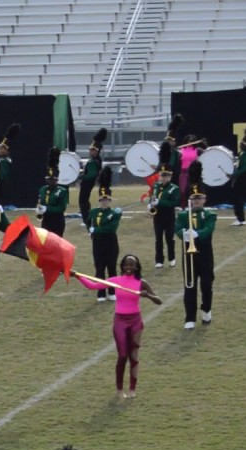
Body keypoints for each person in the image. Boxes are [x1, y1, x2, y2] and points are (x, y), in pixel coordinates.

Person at [72, 255, 163, 399]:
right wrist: (77, 276)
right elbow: (92, 286)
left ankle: (132, 388)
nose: (128, 268)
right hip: (120, 321)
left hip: (136, 321)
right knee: (122, 355)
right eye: (126, 265)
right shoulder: (115, 281)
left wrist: (148, 296)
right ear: (122, 266)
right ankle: (119, 389)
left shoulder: (141, 282)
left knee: (133, 356)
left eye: (131, 265)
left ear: (136, 267)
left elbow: (159, 301)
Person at [174, 162, 217, 331]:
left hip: (205, 253)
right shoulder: (184, 214)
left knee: (206, 284)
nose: (197, 201)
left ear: (204, 199)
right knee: (190, 285)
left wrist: (197, 234)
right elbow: (177, 228)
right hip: (189, 254)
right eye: (194, 198)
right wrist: (184, 233)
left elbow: (208, 230)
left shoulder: (210, 214)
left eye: (199, 198)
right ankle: (189, 317)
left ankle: (206, 309)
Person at [86, 168, 122, 302]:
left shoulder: (114, 213)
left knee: (111, 268)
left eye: (106, 199)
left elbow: (111, 229)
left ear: (110, 200)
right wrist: (91, 229)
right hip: (97, 243)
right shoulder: (94, 212)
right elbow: (89, 223)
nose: (104, 202)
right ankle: (100, 293)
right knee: (99, 269)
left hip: (110, 242)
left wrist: (97, 230)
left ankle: (112, 291)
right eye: (102, 199)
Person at [150, 142, 181, 268]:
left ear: (170, 176)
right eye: (162, 175)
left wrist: (160, 202)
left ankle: (171, 258)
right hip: (158, 216)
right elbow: (153, 196)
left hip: (169, 216)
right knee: (158, 239)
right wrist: (150, 204)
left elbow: (175, 203)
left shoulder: (174, 188)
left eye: (167, 176)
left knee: (169, 238)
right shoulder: (156, 186)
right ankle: (159, 260)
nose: (164, 178)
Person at [36, 148, 69, 238]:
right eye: (49, 179)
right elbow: (41, 203)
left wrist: (46, 209)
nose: (50, 182)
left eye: (52, 180)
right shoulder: (42, 190)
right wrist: (39, 211)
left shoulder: (62, 191)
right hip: (46, 221)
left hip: (57, 222)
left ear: (56, 180)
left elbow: (61, 209)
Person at [78, 128, 106, 225]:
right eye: (91, 150)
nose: (91, 152)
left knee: (83, 201)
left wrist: (81, 177)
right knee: (84, 200)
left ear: (97, 151)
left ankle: (87, 219)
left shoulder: (94, 161)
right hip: (87, 182)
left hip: (87, 183)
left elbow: (92, 175)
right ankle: (87, 217)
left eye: (93, 150)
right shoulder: (94, 160)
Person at [0, 124, 20, 208]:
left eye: (2, 149)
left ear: (7, 151)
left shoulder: (5, 161)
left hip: (3, 183)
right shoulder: (1, 159)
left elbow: (4, 174)